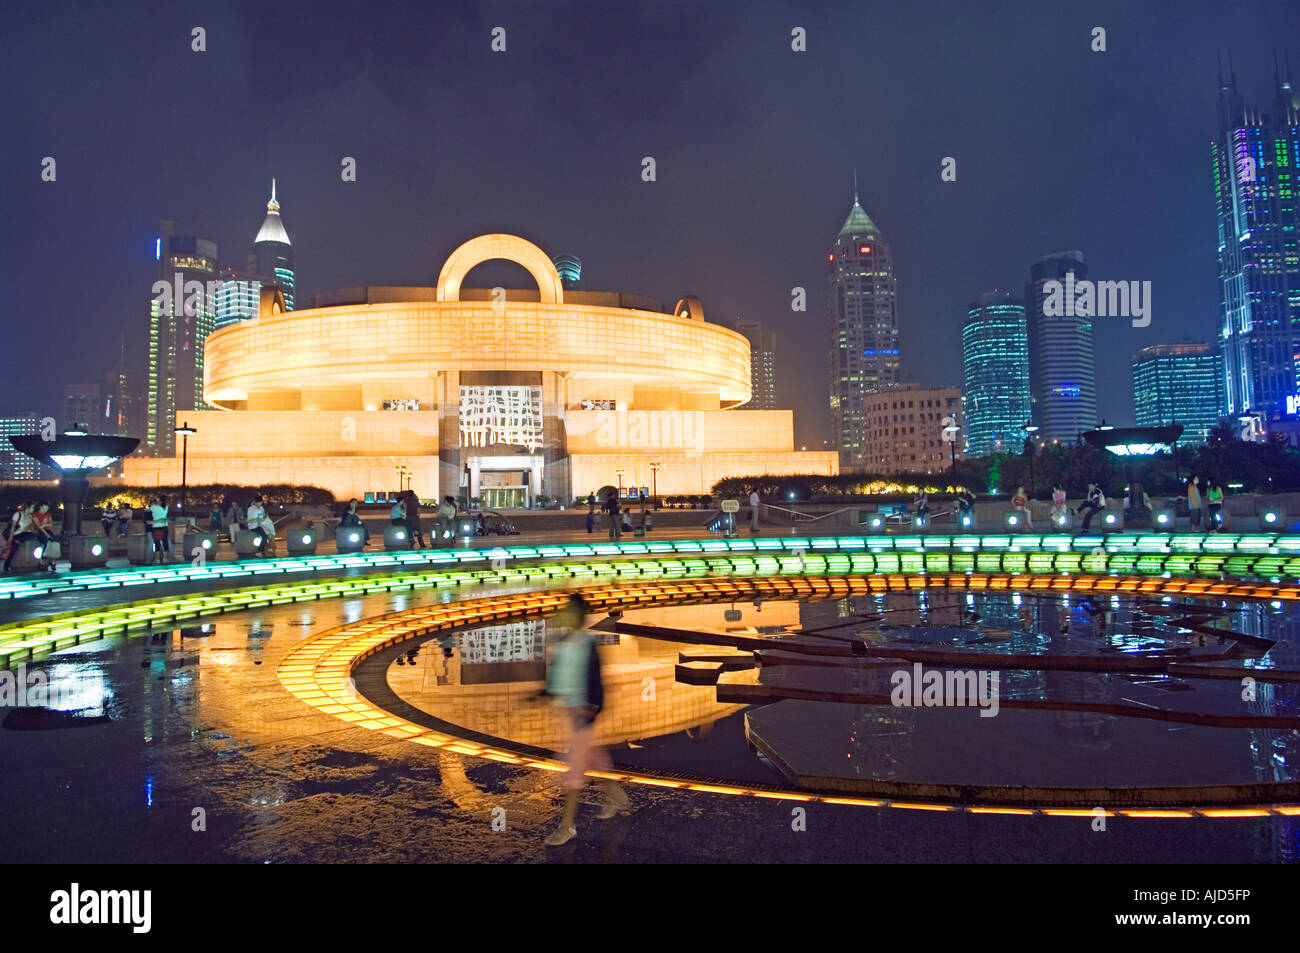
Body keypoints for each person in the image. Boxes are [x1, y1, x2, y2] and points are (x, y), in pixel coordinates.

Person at [535, 594, 630, 845]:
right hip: (571, 711)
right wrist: (542, 694)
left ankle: (567, 827)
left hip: (584, 713)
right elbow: (558, 674)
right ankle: (620, 800)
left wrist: (591, 709)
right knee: (595, 760)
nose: (563, 616)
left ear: (578, 617)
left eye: (569, 612)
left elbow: (597, 681)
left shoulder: (586, 644)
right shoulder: (563, 640)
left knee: (574, 772)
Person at [2, 503, 37, 572]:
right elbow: (13, 526)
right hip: (15, 535)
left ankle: (19, 540)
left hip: (22, 535)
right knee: (12, 551)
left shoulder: (29, 516)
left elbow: (29, 529)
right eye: (32, 507)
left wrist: (29, 528)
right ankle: (6, 567)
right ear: (27, 508)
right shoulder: (18, 514)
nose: (33, 509)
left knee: (33, 534)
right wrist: (11, 537)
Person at [148, 495, 169, 564]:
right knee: (165, 542)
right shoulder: (166, 507)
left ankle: (157, 559)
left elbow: (149, 506)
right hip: (165, 526)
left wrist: (153, 500)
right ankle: (165, 558)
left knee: (157, 543)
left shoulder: (154, 507)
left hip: (156, 527)